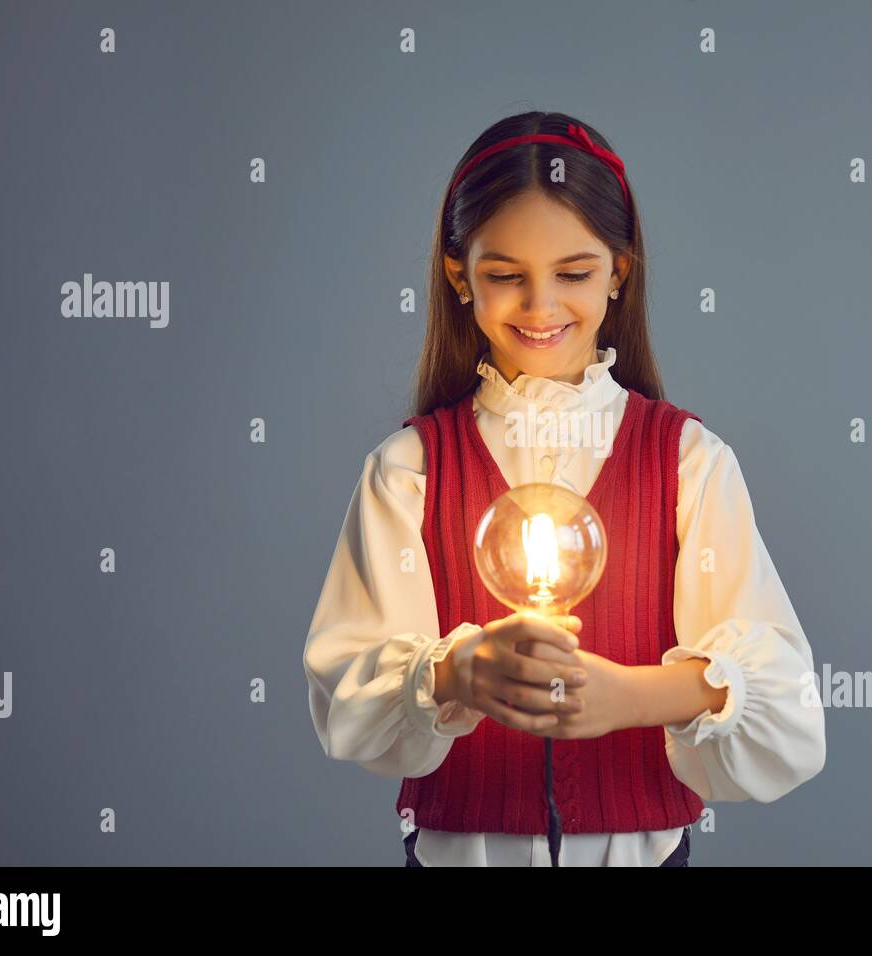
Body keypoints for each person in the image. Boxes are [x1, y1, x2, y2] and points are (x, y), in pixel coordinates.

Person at [303, 111, 826, 866]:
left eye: (573, 274)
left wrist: (633, 698)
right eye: (506, 276)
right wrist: (457, 673)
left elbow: (787, 704)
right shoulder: (409, 471)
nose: (542, 307)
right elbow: (346, 693)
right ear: (460, 276)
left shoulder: (687, 461)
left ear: (620, 270)